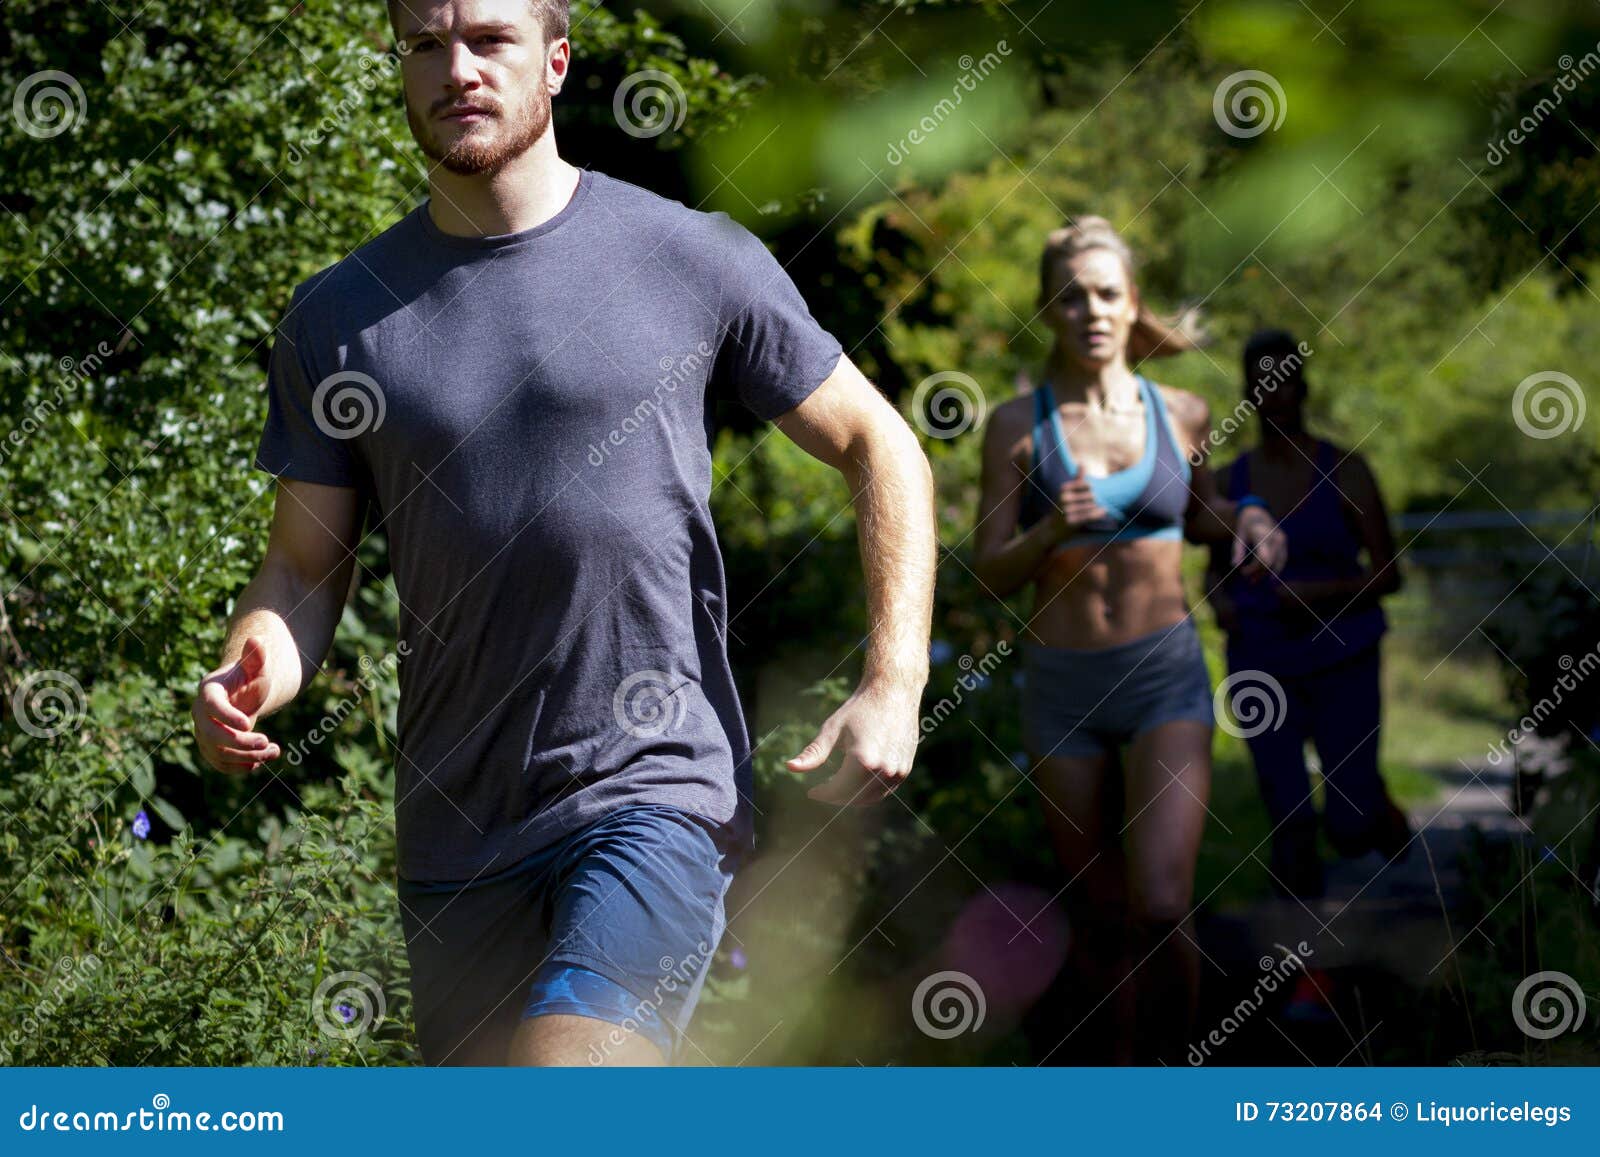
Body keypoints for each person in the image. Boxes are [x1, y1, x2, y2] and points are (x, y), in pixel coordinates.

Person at [189, 0, 935, 1067]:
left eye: (489, 39)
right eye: (425, 47)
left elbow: (879, 440)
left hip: (652, 789)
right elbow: (306, 568)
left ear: (556, 61)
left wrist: (895, 676)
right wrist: (250, 666)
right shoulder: (336, 318)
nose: (457, 70)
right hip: (458, 827)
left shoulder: (688, 256)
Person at [974, 216, 1286, 1064]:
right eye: (1072, 296)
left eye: (1108, 293)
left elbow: (1203, 517)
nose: (1092, 311)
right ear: (1049, 308)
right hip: (1063, 687)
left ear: (1133, 303)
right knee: (1101, 913)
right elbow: (985, 569)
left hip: (1163, 678)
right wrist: (1047, 536)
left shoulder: (1182, 411)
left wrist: (1249, 514)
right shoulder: (1013, 423)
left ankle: (1175, 1082)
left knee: (1158, 904)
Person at [1205, 329, 1410, 903]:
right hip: (1262, 662)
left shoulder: (1347, 471)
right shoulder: (1230, 482)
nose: (1272, 397)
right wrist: (1222, 606)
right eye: (1260, 385)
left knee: (1349, 828)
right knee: (1289, 818)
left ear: (1303, 388)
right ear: (1247, 394)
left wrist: (1320, 594)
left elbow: (1389, 574)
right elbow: (1212, 574)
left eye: (1283, 382)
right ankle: (1300, 965)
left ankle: (1373, 801)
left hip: (1343, 654)